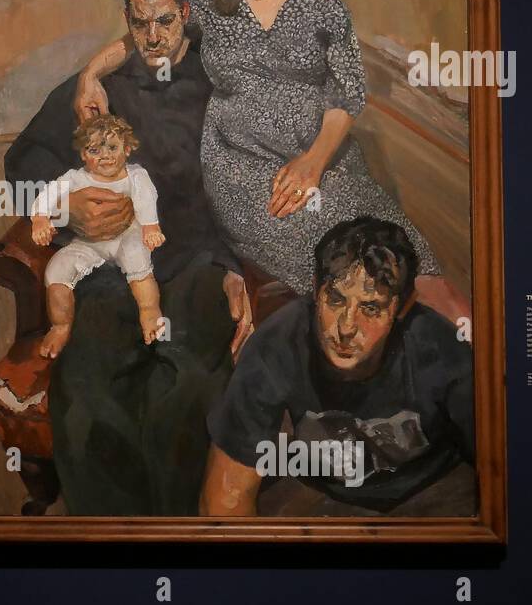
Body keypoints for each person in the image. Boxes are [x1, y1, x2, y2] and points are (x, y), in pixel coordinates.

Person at [75, 0, 468, 325]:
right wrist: (90, 74)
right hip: (240, 170)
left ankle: (473, 363)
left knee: (410, 260)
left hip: (323, 162)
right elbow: (150, 32)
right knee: (347, 266)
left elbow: (347, 93)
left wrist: (313, 163)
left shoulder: (324, 6)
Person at [4, 0, 244, 516]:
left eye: (164, 21)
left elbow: (249, 179)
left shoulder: (220, 73)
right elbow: (23, 161)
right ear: (126, 26)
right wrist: (68, 208)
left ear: (185, 14)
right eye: (140, 26)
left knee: (184, 385)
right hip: (108, 262)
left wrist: (234, 265)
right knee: (89, 385)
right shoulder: (101, 87)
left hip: (194, 257)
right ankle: (112, 539)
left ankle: (180, 536)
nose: (153, 37)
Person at [200, 216, 475, 516]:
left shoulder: (442, 350)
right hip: (322, 496)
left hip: (434, 492)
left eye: (371, 308)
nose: (346, 327)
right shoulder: (277, 344)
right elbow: (226, 498)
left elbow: (503, 472)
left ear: (403, 308)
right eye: (335, 299)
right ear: (316, 290)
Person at [31, 114, 166, 354]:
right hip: (89, 242)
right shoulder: (75, 178)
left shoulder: (136, 176)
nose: (105, 155)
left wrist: (150, 226)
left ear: (127, 149)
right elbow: (49, 194)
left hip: (127, 236)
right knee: (56, 270)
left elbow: (146, 198)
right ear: (83, 154)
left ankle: (149, 311)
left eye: (113, 147)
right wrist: (40, 219)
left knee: (137, 256)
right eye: (95, 150)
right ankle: (61, 326)